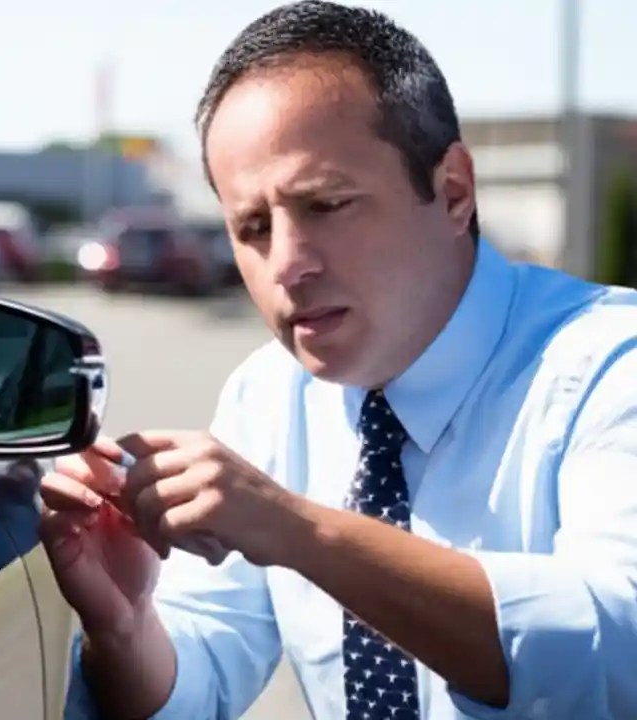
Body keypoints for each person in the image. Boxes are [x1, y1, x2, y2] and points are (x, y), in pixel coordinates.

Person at [38, 2, 637, 719]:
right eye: (252, 227)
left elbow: (618, 649)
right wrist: (125, 623)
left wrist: (303, 533)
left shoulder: (609, 363)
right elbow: (199, 683)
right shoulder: (268, 394)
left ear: (453, 191)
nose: (286, 265)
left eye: (326, 204)